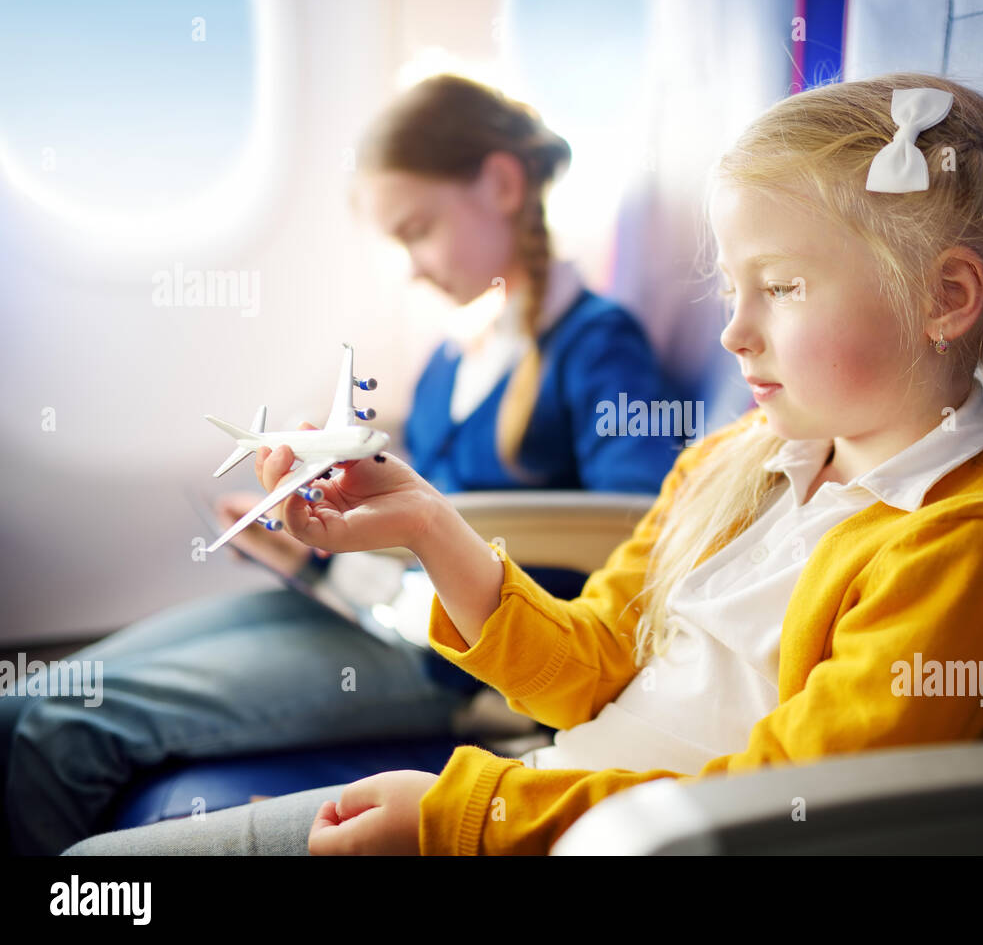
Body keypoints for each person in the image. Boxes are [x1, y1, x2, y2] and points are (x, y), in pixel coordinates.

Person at [61, 72, 983, 856]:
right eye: (730, 288)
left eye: (783, 286)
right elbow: (592, 665)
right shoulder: (737, 464)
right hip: (557, 803)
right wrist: (424, 522)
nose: (733, 334)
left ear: (945, 299)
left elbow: (781, 807)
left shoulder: (955, 546)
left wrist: (478, 813)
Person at [1, 74, 682, 856]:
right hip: (368, 610)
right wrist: (315, 554)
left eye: (418, 229)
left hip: (451, 657)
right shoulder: (452, 363)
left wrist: (425, 533)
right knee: (29, 701)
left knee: (65, 728)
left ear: (500, 183)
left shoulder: (596, 345)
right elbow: (407, 531)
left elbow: (633, 531)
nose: (415, 266)